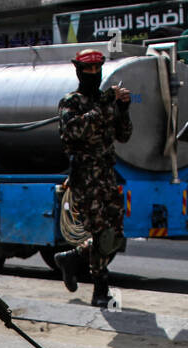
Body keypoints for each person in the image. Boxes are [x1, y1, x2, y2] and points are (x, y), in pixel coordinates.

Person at [54, 49, 132, 309]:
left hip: (108, 176)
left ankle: (71, 258)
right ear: (78, 70)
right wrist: (103, 106)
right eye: (87, 70)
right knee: (102, 234)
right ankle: (100, 289)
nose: (92, 74)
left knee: (116, 235)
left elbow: (124, 136)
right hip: (86, 178)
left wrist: (122, 108)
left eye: (96, 69)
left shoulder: (105, 100)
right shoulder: (71, 102)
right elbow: (74, 132)